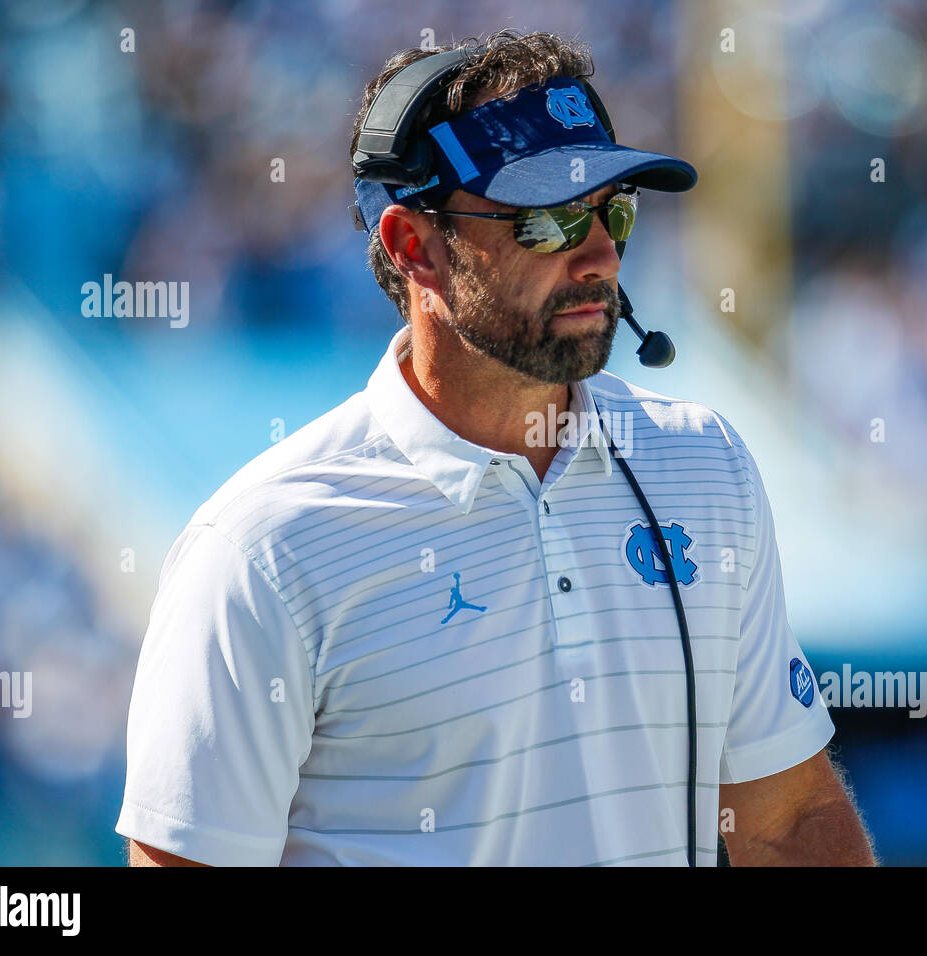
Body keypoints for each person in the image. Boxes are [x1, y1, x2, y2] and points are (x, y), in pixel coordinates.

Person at [116, 29, 875, 866]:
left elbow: (787, 818)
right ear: (416, 248)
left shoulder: (705, 464)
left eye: (612, 210)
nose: (599, 253)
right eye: (546, 220)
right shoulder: (263, 548)